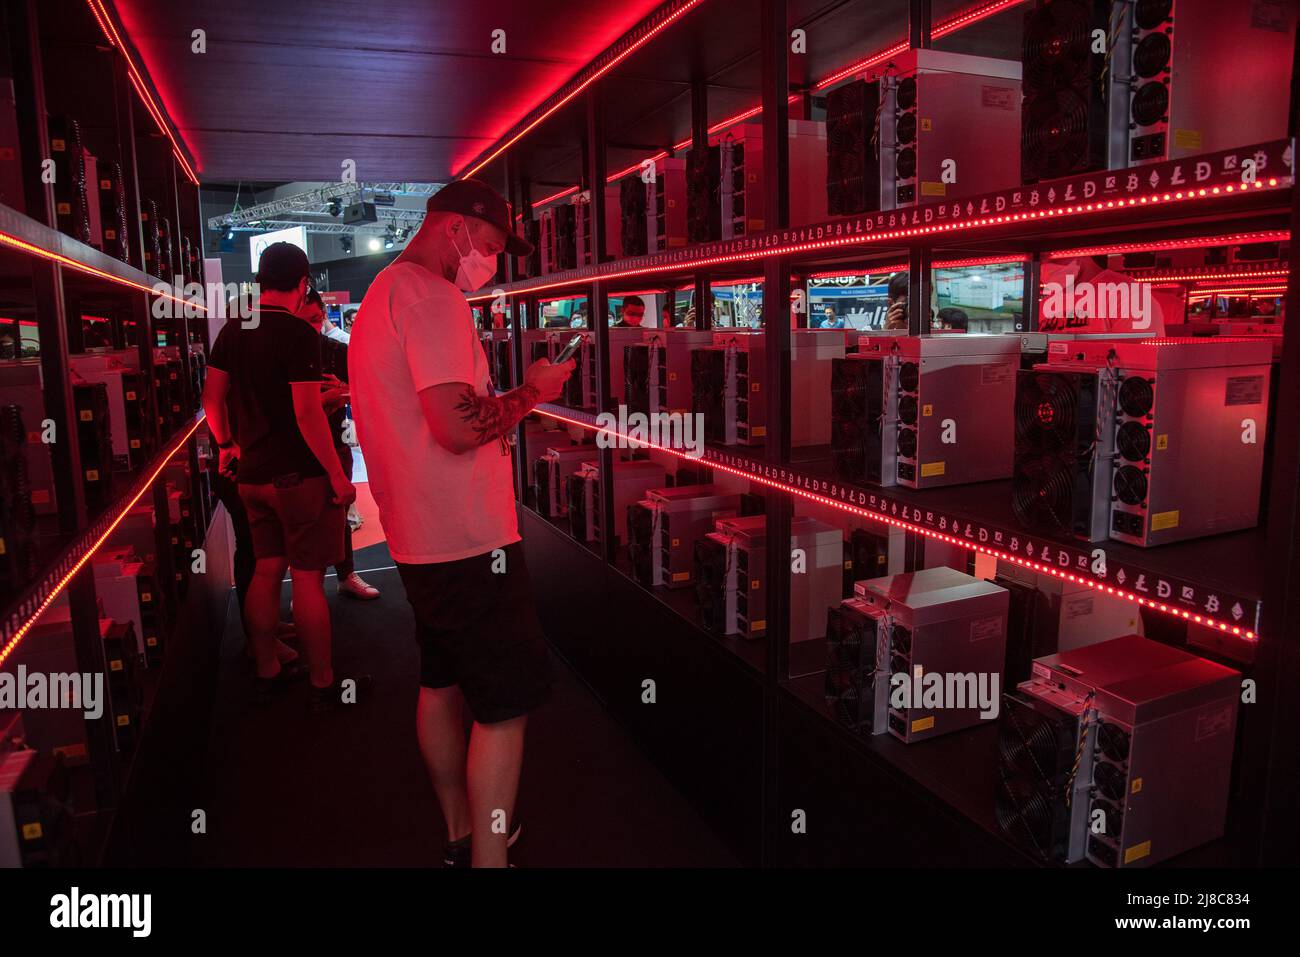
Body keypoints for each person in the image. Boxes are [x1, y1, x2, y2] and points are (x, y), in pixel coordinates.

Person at [349, 178, 574, 868]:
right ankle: (490, 855)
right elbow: (455, 426)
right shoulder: (431, 295)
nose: (492, 261)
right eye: (491, 246)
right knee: (503, 709)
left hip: (418, 540)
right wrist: (535, 391)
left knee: (441, 683)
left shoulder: (381, 296)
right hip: (470, 543)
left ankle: (458, 831)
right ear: (455, 230)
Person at [202, 242, 358, 712]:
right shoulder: (297, 334)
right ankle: (323, 682)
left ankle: (267, 668)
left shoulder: (235, 328)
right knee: (308, 580)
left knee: (267, 570)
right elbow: (308, 414)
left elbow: (211, 400)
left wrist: (228, 444)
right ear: (303, 281)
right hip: (300, 478)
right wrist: (337, 475)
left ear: (259, 280)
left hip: (251, 475)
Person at [301, 288, 381, 600]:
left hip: (335, 442)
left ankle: (345, 574)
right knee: (307, 520)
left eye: (316, 318)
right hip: (297, 449)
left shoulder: (335, 349)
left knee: (340, 511)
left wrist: (343, 392)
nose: (313, 325)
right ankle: (310, 587)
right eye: (306, 319)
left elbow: (364, 390)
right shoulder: (285, 352)